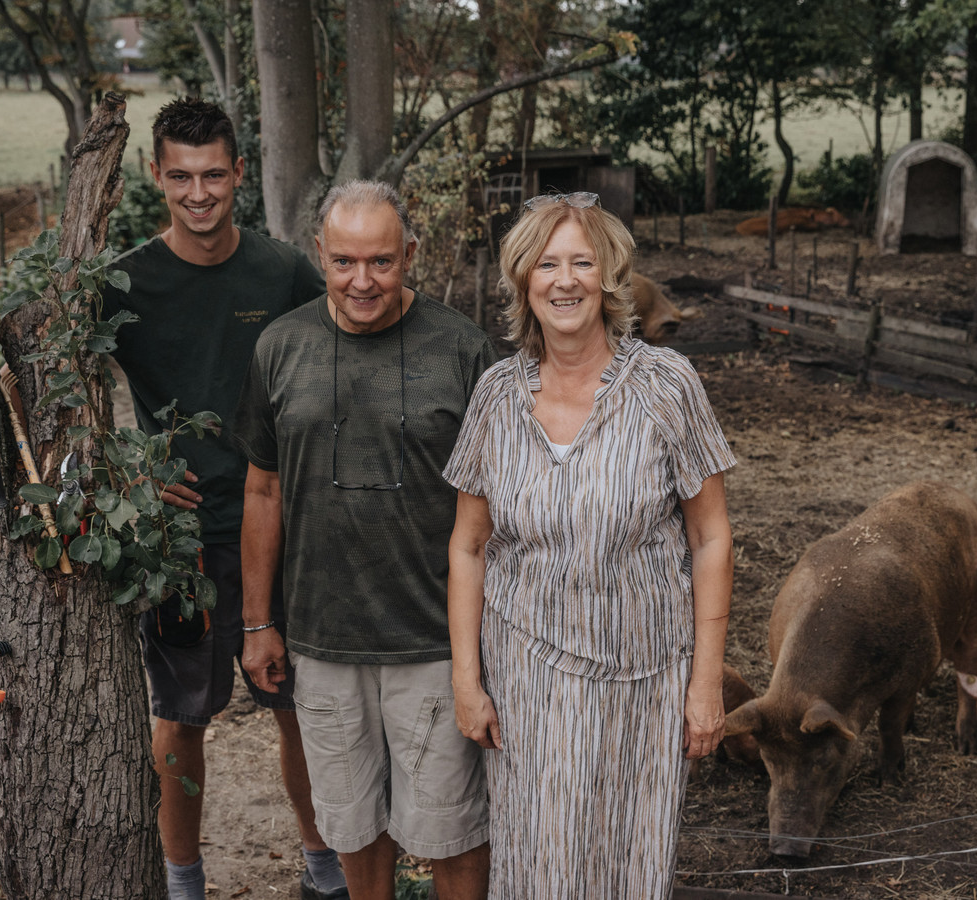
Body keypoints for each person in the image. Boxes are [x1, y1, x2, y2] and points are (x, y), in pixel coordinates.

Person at [444, 192, 736, 898]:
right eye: (547, 264)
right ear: (523, 280)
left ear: (609, 277)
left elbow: (711, 536)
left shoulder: (667, 385)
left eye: (582, 262)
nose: (565, 281)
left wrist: (704, 683)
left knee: (631, 860)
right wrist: (466, 681)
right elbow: (467, 547)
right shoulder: (495, 396)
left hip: (646, 678)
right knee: (540, 863)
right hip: (528, 678)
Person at [100, 97, 346, 900]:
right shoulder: (123, 283)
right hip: (180, 544)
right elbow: (47, 387)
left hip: (281, 531)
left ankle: (324, 871)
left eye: (212, 175)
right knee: (181, 716)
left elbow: (344, 360)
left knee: (298, 708)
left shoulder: (283, 273)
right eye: (181, 177)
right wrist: (123, 473)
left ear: (239, 172)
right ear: (155, 175)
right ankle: (183, 883)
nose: (198, 193)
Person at [234, 180, 497, 900]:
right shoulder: (280, 347)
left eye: (381, 261)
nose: (362, 281)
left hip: (436, 640)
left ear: (410, 253)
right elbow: (262, 492)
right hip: (322, 640)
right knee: (351, 827)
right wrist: (257, 623)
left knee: (453, 830)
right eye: (344, 261)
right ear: (319, 252)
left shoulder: (464, 350)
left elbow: (497, 510)